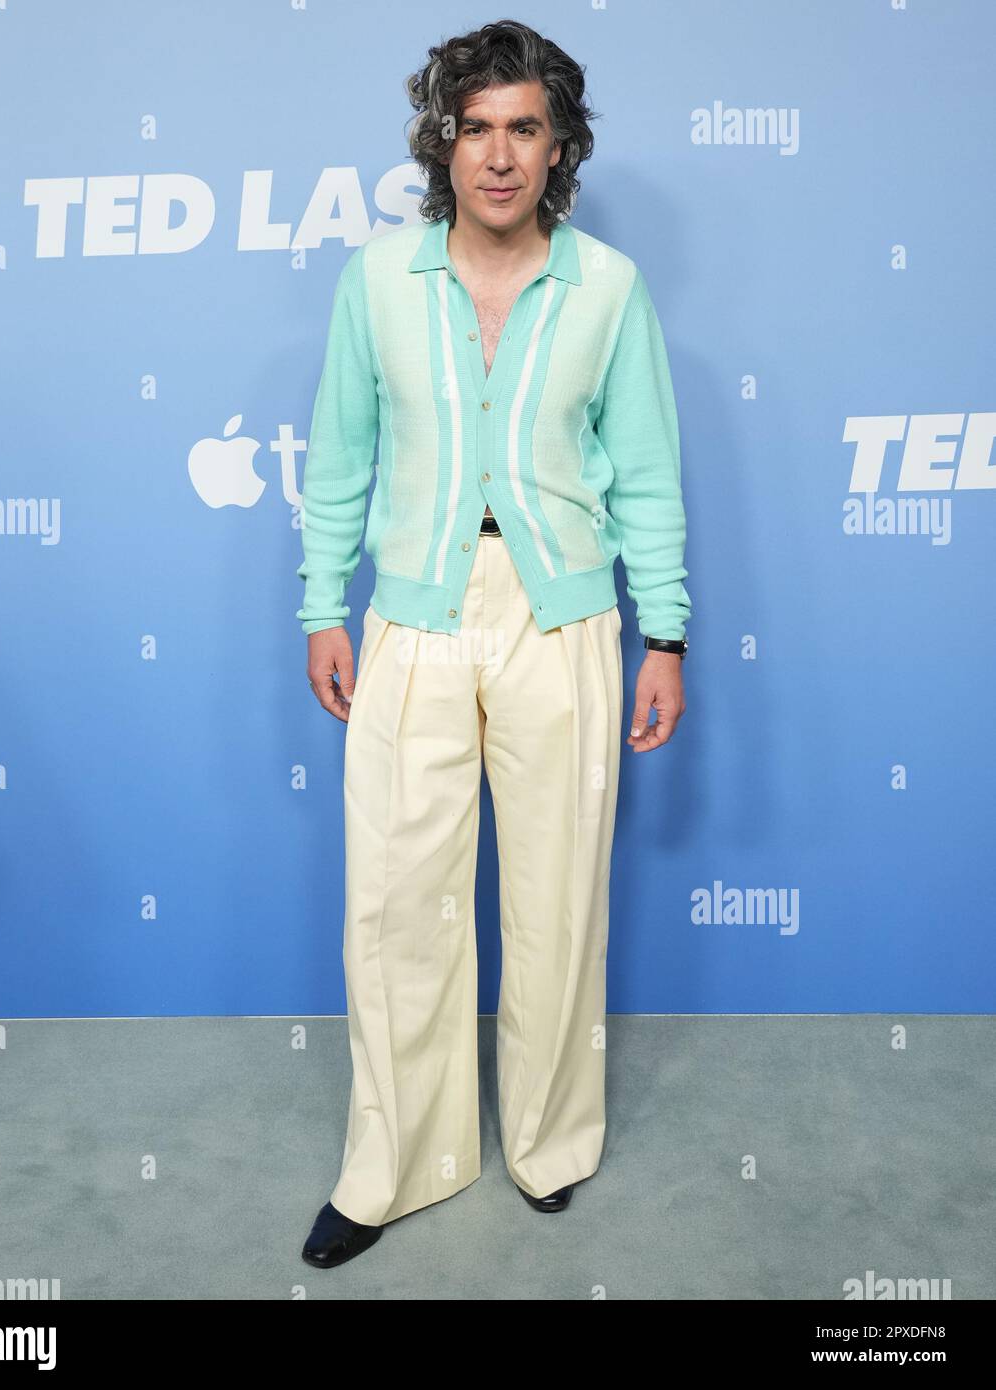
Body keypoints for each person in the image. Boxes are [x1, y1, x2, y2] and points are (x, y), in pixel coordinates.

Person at [296, 19, 690, 1269]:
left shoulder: (609, 288)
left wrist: (664, 634)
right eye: (476, 129)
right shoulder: (376, 279)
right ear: (442, 143)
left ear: (558, 144)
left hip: (562, 616)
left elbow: (647, 477)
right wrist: (321, 604)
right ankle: (393, 1161)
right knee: (396, 897)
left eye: (525, 128)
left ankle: (547, 1140)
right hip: (411, 613)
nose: (499, 155)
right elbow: (340, 459)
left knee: (557, 892)